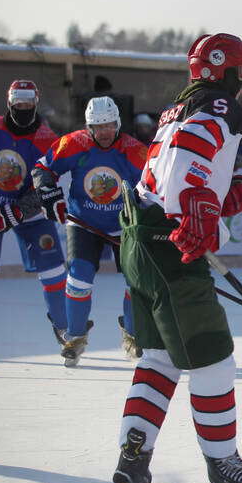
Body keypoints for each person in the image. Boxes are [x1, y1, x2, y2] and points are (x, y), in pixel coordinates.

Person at [109, 33, 242, 483]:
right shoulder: (220, 107)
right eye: (240, 73)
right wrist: (197, 207)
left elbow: (172, 167)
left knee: (159, 358)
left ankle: (132, 456)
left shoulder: (180, 107)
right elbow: (188, 164)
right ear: (223, 72)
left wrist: (212, 201)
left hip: (142, 239)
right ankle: (223, 465)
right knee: (214, 360)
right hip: (169, 248)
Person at [32, 97, 147, 366]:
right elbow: (43, 168)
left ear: (118, 124)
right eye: (98, 127)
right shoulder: (74, 143)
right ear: (89, 127)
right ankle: (74, 337)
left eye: (109, 125)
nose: (104, 132)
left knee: (137, 283)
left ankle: (133, 333)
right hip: (84, 222)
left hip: (124, 225)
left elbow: (153, 184)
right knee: (79, 278)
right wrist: (47, 192)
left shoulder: (134, 150)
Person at [0, 80, 68, 343]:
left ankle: (64, 328)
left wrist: (17, 210)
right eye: (18, 103)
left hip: (29, 211)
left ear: (36, 102)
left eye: (27, 103)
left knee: (54, 270)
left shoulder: (49, 140)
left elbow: (47, 189)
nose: (22, 107)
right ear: (9, 102)